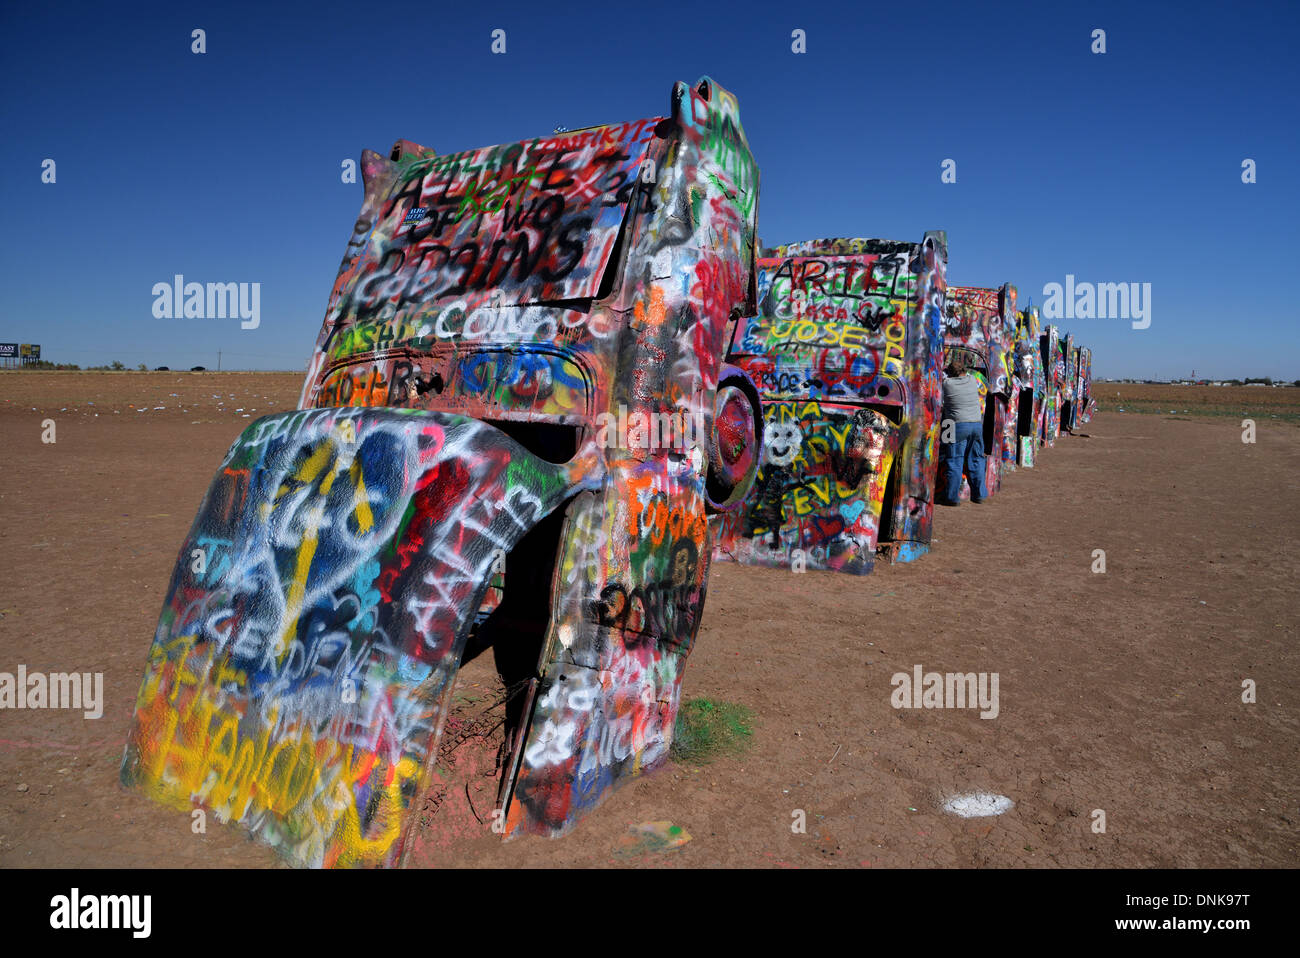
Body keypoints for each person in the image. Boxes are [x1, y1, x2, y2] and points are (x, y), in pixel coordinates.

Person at [938, 355, 987, 505]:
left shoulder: (946, 384)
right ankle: (979, 495)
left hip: (955, 425)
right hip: (976, 424)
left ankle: (952, 497)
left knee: (954, 460)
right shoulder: (972, 380)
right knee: (977, 459)